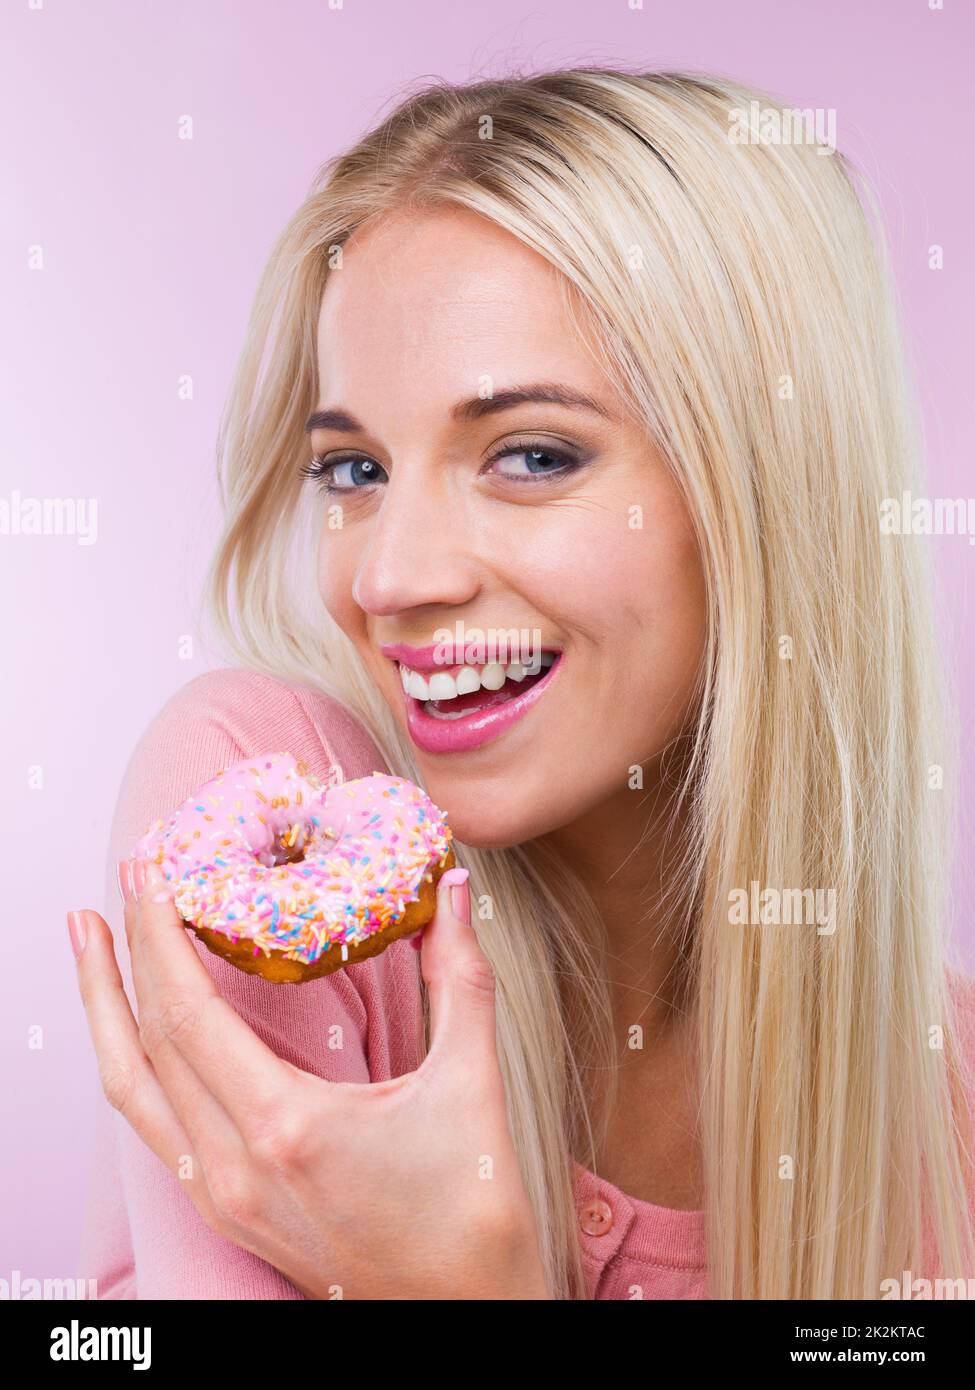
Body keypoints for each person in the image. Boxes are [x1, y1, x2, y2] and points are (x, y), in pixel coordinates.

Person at [69, 67, 975, 1300]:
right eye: (354, 469)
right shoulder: (283, 840)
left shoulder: (948, 1101)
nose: (389, 576)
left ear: (765, 499)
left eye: (531, 455)